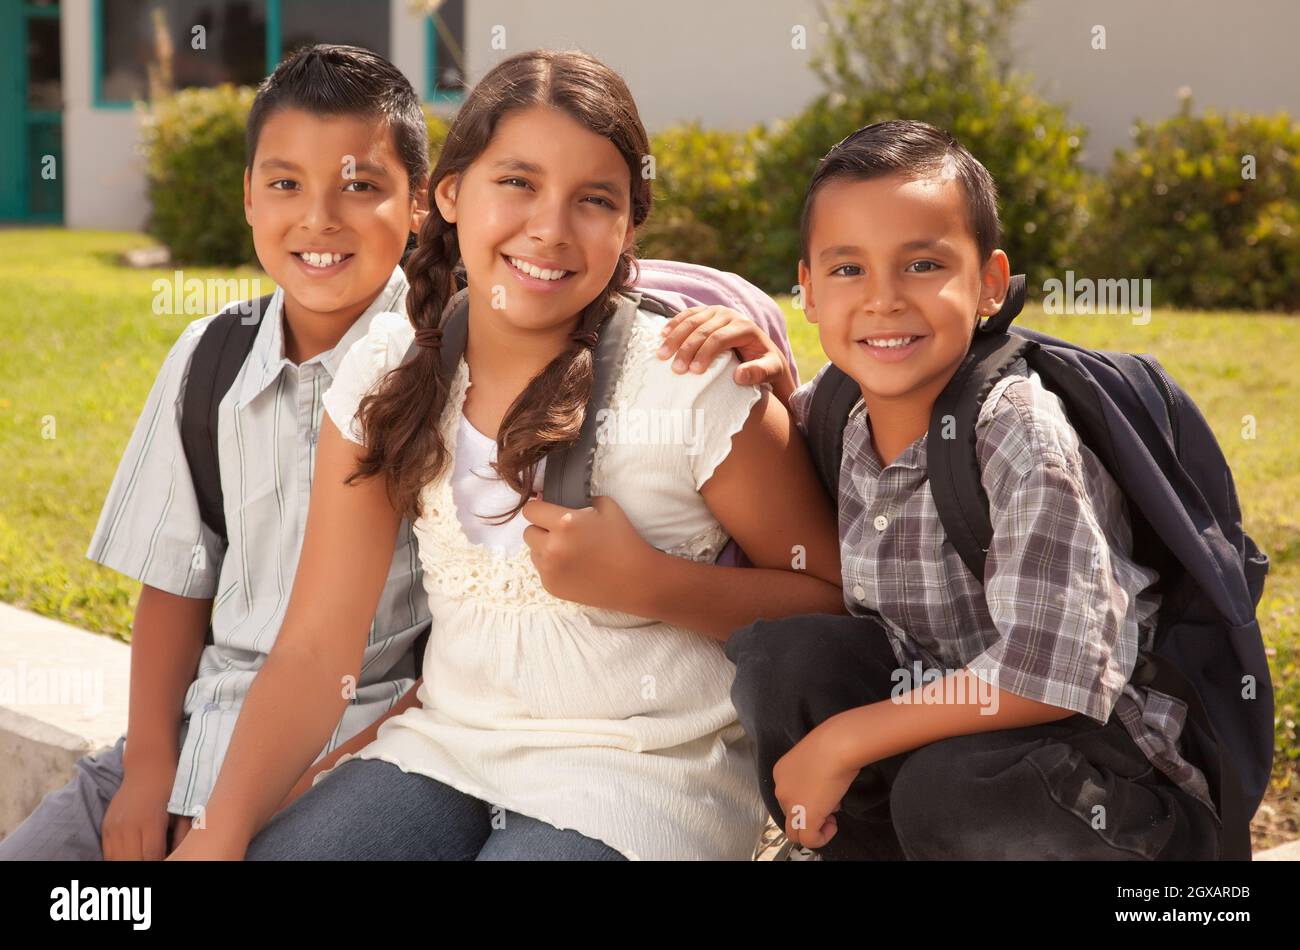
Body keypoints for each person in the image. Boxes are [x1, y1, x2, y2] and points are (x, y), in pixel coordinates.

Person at [167, 48, 842, 862]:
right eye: (516, 182)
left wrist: (651, 585)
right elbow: (314, 653)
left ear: (628, 224)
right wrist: (217, 834)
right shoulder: (389, 371)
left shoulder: (691, 384)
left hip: (644, 775)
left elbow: (832, 602)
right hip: (445, 750)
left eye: (594, 200)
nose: (549, 229)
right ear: (449, 195)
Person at [673, 120, 1221, 860]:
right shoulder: (840, 408)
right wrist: (763, 384)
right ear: (805, 290)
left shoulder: (1018, 430)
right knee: (786, 659)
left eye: (923, 265)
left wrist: (844, 739)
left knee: (953, 786)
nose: (883, 300)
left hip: (1092, 772)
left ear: (990, 283)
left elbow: (1054, 670)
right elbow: (788, 465)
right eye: (847, 271)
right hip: (948, 736)